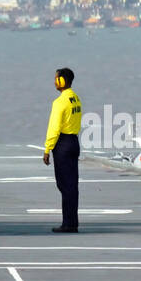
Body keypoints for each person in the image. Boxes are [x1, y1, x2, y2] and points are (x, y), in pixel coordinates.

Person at [42, 67, 84, 233]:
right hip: (74, 141)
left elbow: (54, 127)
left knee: (65, 185)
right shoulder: (76, 98)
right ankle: (72, 221)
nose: (54, 82)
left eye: (56, 79)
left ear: (62, 81)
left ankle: (68, 224)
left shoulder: (59, 102)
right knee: (72, 185)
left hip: (63, 144)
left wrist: (47, 149)